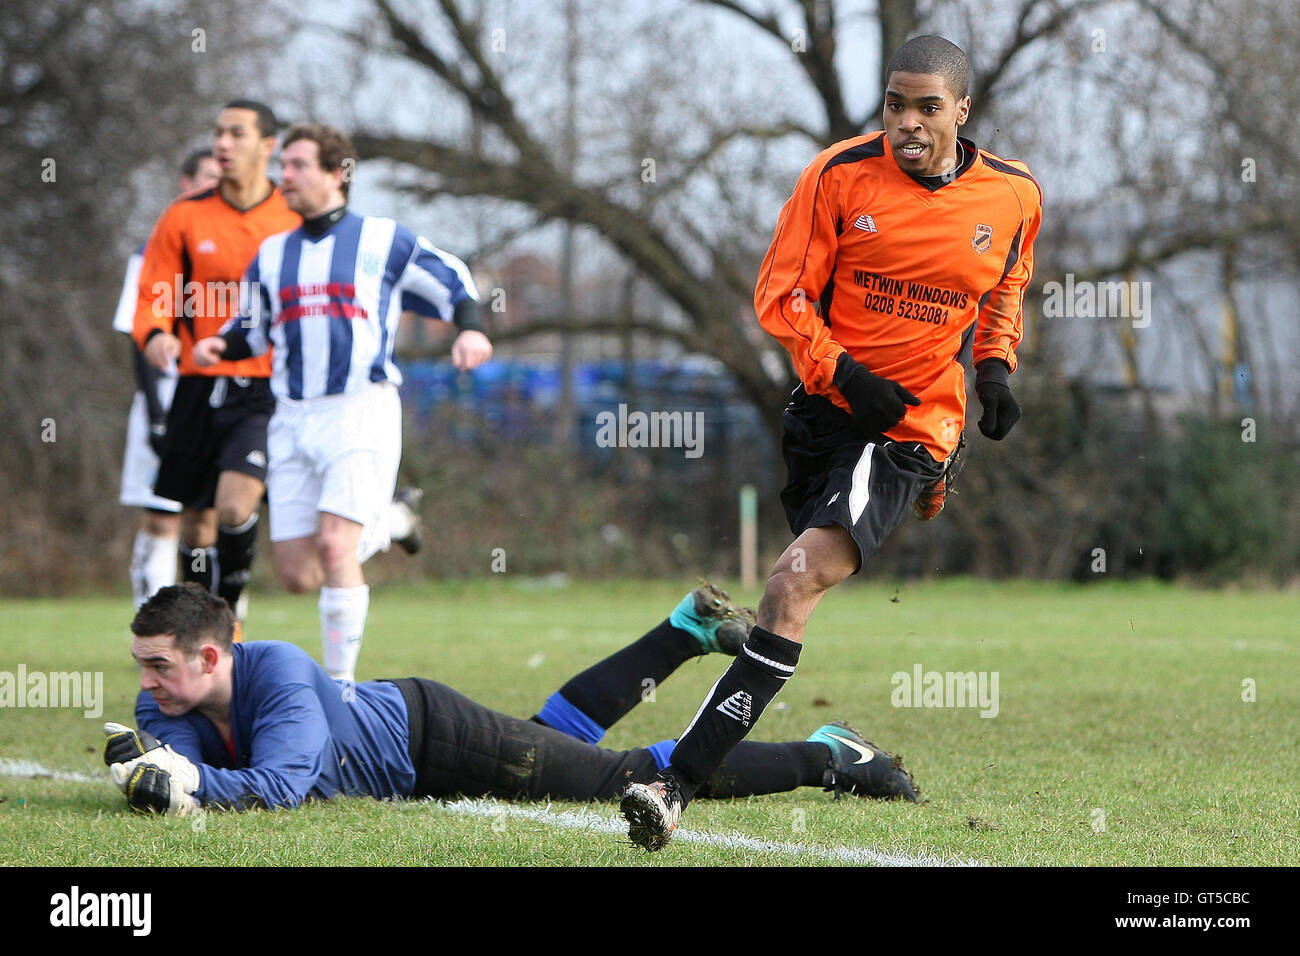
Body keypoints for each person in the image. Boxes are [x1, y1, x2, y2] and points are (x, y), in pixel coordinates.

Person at [620, 35, 1042, 850]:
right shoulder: (837, 175)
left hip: (914, 420)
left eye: (927, 107)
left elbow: (1007, 287)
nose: (909, 123)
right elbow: (779, 296)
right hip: (826, 410)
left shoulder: (1014, 196)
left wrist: (994, 370)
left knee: (791, 583)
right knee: (791, 579)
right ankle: (823, 737)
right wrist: (843, 373)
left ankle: (673, 787)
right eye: (895, 104)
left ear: (962, 110)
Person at [101, 582, 919, 816]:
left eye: (158, 667)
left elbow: (277, 788)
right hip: (418, 745)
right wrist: (150, 769)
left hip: (433, 737)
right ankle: (681, 631)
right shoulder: (169, 703)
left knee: (620, 778)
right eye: (141, 667)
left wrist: (188, 782)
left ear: (213, 655)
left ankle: (829, 757)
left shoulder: (276, 672)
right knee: (547, 738)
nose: (146, 685)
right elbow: (178, 762)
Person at [192, 123, 493, 682]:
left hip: (360, 409)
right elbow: (253, 328)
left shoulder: (382, 239)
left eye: (300, 165)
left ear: (338, 174)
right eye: (284, 165)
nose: (287, 175)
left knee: (336, 546)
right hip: (292, 419)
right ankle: (396, 518)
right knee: (297, 574)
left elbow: (452, 279)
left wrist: (469, 329)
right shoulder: (272, 253)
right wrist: (220, 343)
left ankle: (342, 694)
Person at [132, 100, 300, 621]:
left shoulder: (292, 218)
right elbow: (155, 291)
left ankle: (231, 618)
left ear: (267, 146)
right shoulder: (185, 215)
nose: (223, 143)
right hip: (198, 384)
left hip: (263, 385)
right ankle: (202, 626)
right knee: (196, 525)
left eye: (237, 134)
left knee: (236, 504)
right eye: (219, 133)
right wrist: (158, 332)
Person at [115, 148, 221, 609]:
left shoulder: (244, 252)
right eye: (208, 178)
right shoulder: (154, 251)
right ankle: (152, 622)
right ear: (185, 182)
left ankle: (215, 624)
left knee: (213, 519)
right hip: (165, 401)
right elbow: (139, 336)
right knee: (162, 518)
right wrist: (158, 414)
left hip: (220, 403)